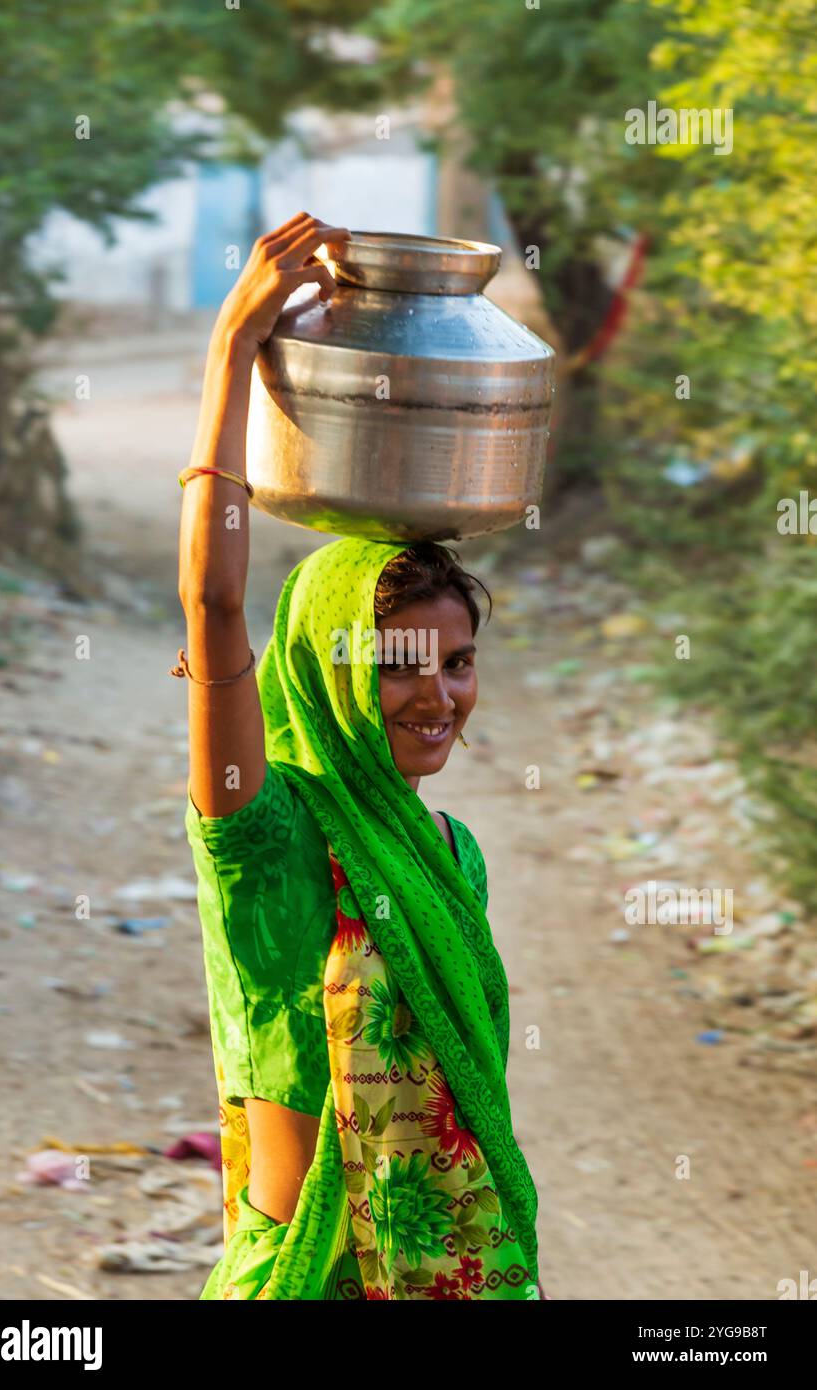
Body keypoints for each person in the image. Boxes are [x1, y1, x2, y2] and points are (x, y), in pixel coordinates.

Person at [175, 212, 545, 1300]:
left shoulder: (450, 854)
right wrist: (233, 349)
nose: (436, 694)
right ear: (327, 672)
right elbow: (212, 601)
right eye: (397, 666)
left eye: (458, 663)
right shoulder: (270, 837)